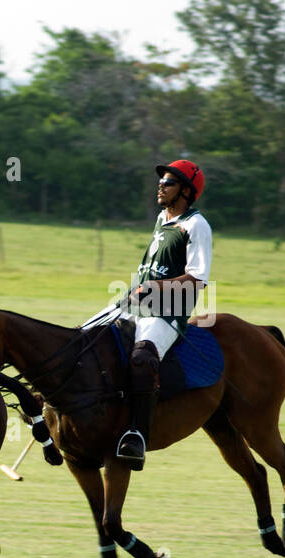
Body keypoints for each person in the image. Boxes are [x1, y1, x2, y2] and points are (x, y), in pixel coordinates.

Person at [82, 159, 211, 470]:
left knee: (142, 360)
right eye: (162, 181)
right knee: (82, 339)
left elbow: (197, 278)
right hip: (134, 305)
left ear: (185, 190)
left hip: (167, 315)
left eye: (168, 182)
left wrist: (153, 287)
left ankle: (136, 434)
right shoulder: (161, 219)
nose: (160, 186)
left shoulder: (196, 225)